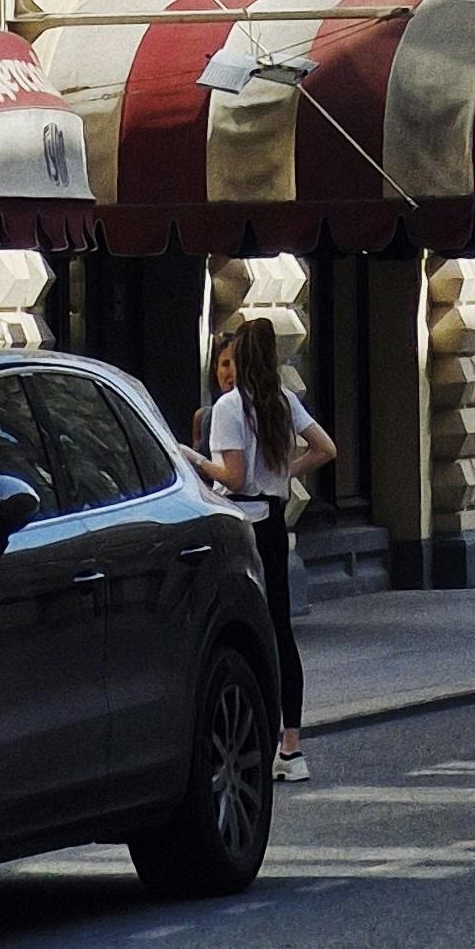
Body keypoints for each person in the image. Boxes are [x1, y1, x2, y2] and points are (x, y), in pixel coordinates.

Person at [198, 313, 333, 782]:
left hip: (240, 524)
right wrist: (284, 475)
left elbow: (232, 477)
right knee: (279, 629)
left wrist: (193, 458)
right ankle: (291, 747)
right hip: (274, 521)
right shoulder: (283, 401)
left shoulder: (230, 408)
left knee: (234, 628)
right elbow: (325, 448)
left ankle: (246, 731)